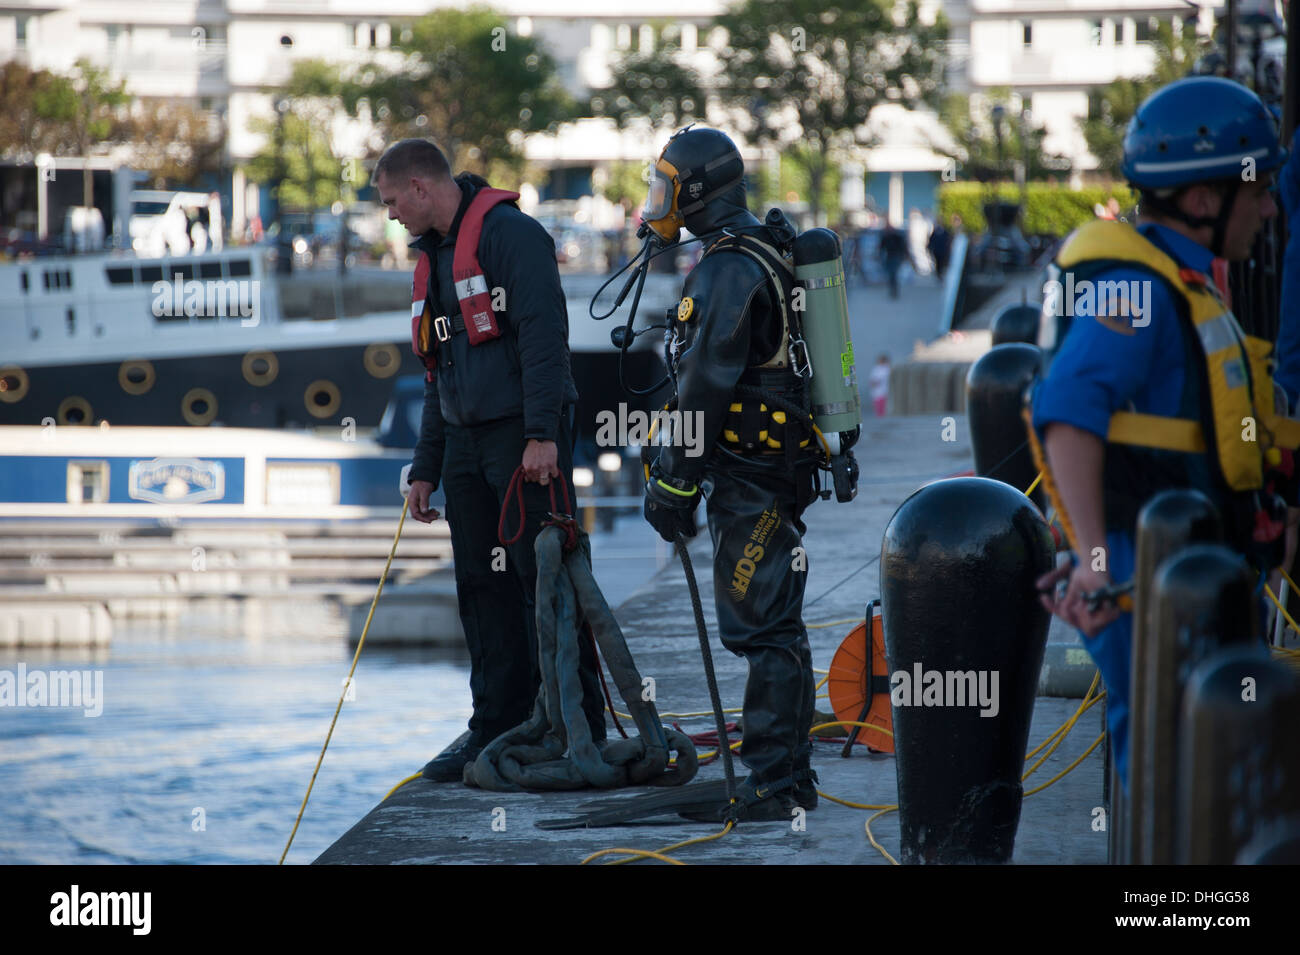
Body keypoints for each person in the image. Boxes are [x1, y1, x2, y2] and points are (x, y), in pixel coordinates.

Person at [1030, 76, 1291, 789]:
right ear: (1204, 200)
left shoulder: (1189, 282)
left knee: (1197, 771)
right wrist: (1093, 561)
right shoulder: (1138, 290)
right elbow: (1067, 410)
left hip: (1191, 572)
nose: (1271, 206)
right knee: (1173, 775)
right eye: (1261, 187)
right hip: (1149, 579)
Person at [373, 138, 607, 782]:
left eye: (393, 201)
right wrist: (426, 468)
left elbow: (545, 339)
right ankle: (495, 725)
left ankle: (575, 721)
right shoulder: (436, 259)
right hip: (466, 445)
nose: (390, 215)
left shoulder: (511, 237)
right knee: (481, 586)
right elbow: (436, 374)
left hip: (523, 439)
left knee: (547, 581)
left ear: (421, 188)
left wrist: (542, 435)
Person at [638, 125, 824, 821]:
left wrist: (672, 482)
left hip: (754, 478)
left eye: (667, 187)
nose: (658, 202)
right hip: (776, 467)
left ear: (696, 192)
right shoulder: (761, 244)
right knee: (777, 623)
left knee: (760, 629)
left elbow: (704, 387)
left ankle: (775, 785)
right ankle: (789, 776)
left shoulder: (724, 269)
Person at [879, 222, 907, 299]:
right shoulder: (885, 237)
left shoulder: (897, 237)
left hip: (896, 256)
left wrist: (903, 256)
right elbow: (881, 247)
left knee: (894, 273)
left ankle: (894, 290)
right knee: (890, 274)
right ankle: (892, 289)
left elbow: (903, 247)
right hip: (889, 257)